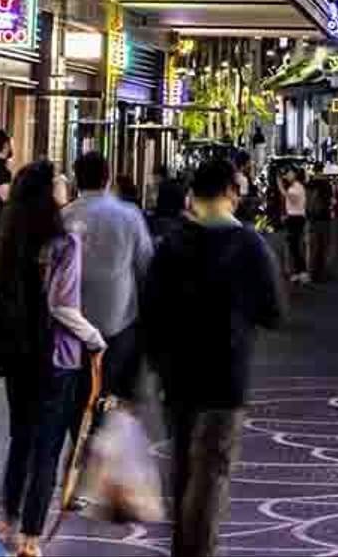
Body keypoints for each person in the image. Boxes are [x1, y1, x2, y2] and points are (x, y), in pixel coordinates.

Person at [141, 155, 286, 557]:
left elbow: (150, 310)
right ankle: (198, 550)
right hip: (226, 375)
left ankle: (183, 547)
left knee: (184, 467)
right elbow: (274, 311)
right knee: (212, 471)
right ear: (230, 193)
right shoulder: (249, 244)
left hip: (178, 375)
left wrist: (155, 361)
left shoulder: (172, 244)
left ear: (194, 194)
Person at [0, 164, 103, 557]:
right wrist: (94, 339)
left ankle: (7, 517)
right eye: (57, 182)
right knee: (47, 448)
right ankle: (31, 536)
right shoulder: (64, 242)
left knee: (21, 438)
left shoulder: (8, 239)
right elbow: (62, 305)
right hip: (57, 356)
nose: (63, 186)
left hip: (17, 354)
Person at [63, 151, 153, 466]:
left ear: (76, 179)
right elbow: (146, 264)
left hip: (74, 323)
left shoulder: (65, 217)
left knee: (79, 394)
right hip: (119, 320)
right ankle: (102, 453)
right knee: (111, 391)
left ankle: (83, 448)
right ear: (107, 177)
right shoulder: (129, 215)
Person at [276, 168, 310, 286]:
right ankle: (297, 272)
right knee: (293, 246)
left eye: (289, 173)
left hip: (296, 218)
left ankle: (302, 273)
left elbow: (289, 197)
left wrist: (280, 185)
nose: (287, 175)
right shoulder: (295, 186)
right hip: (293, 218)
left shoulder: (298, 187)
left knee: (296, 246)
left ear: (295, 174)